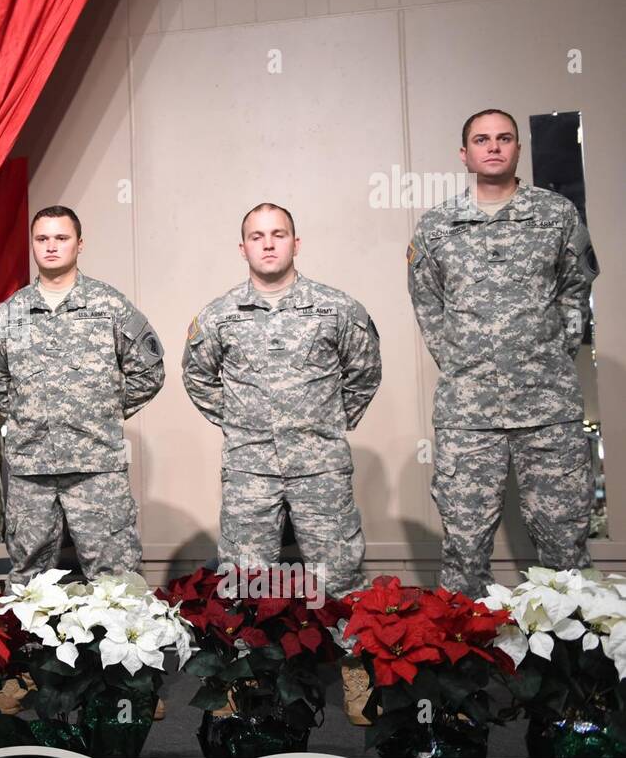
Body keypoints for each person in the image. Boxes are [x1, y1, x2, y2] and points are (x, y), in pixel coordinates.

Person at [408, 109, 599, 597]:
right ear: (464, 154)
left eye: (504, 138)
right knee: (464, 552)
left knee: (565, 546)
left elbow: (575, 293)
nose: (493, 147)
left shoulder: (556, 215)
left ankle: (573, 672)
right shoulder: (436, 227)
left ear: (518, 148)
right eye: (481, 139)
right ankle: (466, 667)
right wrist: (461, 364)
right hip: (467, 414)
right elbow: (428, 305)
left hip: (548, 409)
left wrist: (551, 357)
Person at [182, 203, 381, 598]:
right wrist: (242, 423)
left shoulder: (337, 308)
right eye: (257, 237)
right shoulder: (219, 315)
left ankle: (345, 657)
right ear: (243, 248)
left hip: (321, 467)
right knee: (244, 584)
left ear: (296, 243)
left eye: (278, 235)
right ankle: (251, 659)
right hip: (249, 469)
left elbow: (365, 371)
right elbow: (197, 376)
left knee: (338, 579)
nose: (268, 245)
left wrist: (326, 423)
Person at [0, 205, 165, 584]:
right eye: (42, 239)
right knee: (30, 582)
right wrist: (29, 413)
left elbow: (149, 370)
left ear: (80, 244)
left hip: (96, 467)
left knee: (116, 580)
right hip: (32, 470)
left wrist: (104, 410)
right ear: (32, 245)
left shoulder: (109, 305)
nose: (51, 247)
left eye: (61, 238)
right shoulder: (11, 313)